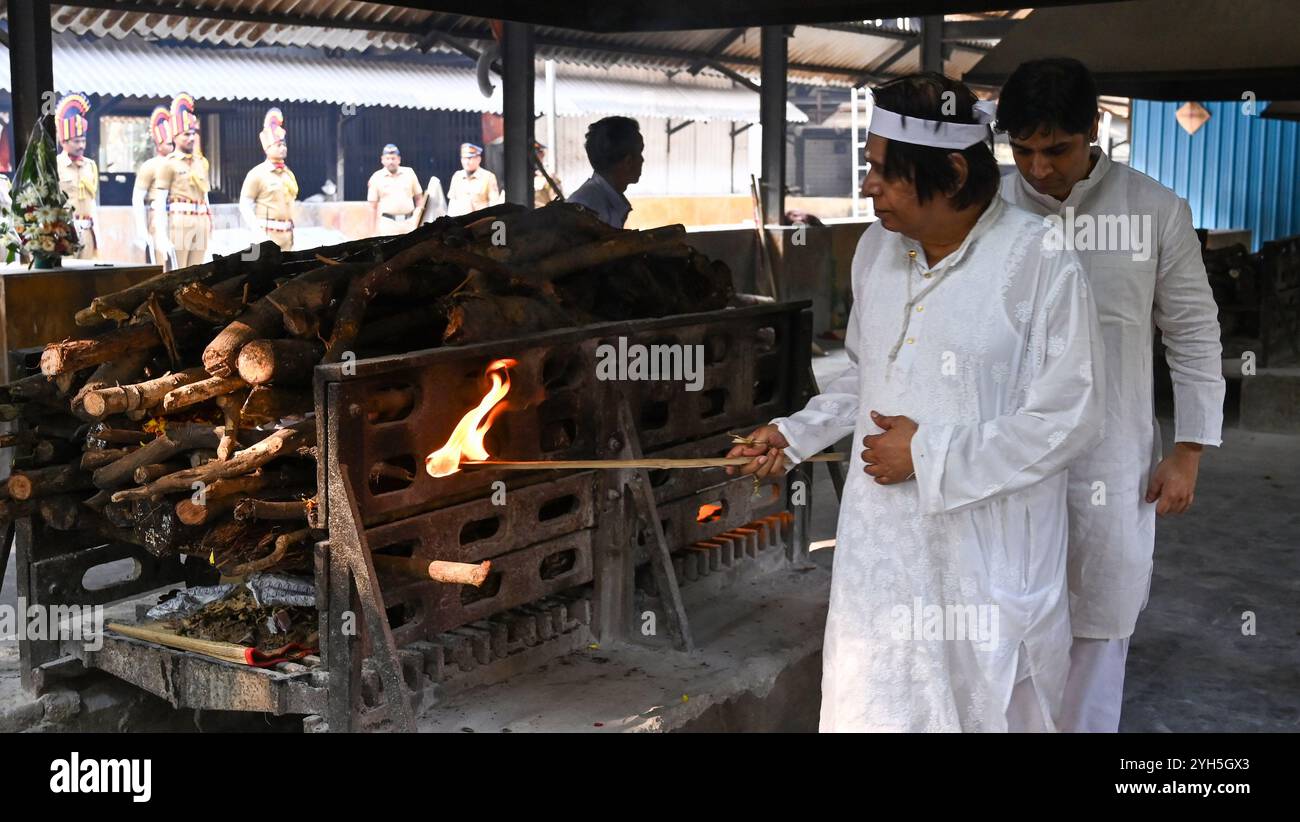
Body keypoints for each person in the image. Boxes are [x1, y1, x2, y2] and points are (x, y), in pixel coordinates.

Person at [727, 73, 1106, 732]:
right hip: (882, 552)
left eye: (882, 169)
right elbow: (866, 377)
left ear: (953, 172)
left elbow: (1071, 418)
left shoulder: (1039, 260)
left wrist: (929, 453)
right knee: (877, 703)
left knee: (983, 710)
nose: (866, 185)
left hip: (985, 561)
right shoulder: (877, 248)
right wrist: (795, 435)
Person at [996, 58, 1225, 733]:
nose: (1039, 169)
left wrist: (1188, 450)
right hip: (1007, 460)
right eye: (1023, 150)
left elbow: (1193, 332)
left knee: (1099, 620)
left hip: (1110, 458)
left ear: (1094, 128)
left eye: (1056, 149)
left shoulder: (1155, 211)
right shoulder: (989, 210)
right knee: (1010, 625)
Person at [152, 93, 212, 270]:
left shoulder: (201, 163)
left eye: (193, 133)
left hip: (201, 221)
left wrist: (210, 221)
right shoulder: (168, 164)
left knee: (197, 273)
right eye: (186, 134)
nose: (191, 138)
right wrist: (162, 236)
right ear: (175, 136)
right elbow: (160, 202)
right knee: (177, 273)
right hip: (179, 223)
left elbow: (205, 195)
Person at [239, 108, 299, 252]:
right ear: (267, 148)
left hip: (287, 237)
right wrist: (258, 234)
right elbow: (245, 205)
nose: (283, 148)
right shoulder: (257, 173)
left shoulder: (288, 174)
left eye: (284, 144)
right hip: (267, 236)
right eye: (278, 145)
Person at [567, 116, 643, 229]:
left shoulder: (594, 199)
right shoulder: (588, 208)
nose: (642, 160)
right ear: (628, 161)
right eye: (640, 153)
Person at [54, 94, 99, 260]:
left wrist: (98, 237)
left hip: (87, 230)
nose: (81, 145)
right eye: (76, 141)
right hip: (64, 232)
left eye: (83, 140)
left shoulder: (90, 165)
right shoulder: (56, 165)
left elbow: (93, 203)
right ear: (64, 142)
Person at [133, 106, 175, 265]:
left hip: (177, 217)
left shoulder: (178, 163)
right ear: (158, 145)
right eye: (168, 143)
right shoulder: (149, 166)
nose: (172, 147)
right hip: (156, 216)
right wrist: (141, 229)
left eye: (173, 143)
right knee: (161, 260)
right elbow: (137, 198)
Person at [367, 144, 422, 236]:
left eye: (393, 158)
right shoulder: (376, 177)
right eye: (387, 158)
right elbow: (373, 207)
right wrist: (373, 231)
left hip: (409, 223)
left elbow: (419, 198)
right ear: (382, 160)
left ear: (399, 159)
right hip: (388, 225)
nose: (390, 161)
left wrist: (419, 219)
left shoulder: (409, 173)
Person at [446, 142, 499, 217]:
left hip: (480, 223)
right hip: (460, 224)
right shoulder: (457, 176)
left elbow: (494, 205)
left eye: (470, 158)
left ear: (478, 159)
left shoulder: (488, 177)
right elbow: (452, 205)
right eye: (464, 158)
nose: (467, 162)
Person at [533, 141, 562, 208]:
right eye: (540, 153)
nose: (542, 155)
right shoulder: (516, 179)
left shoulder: (549, 178)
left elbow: (558, 203)